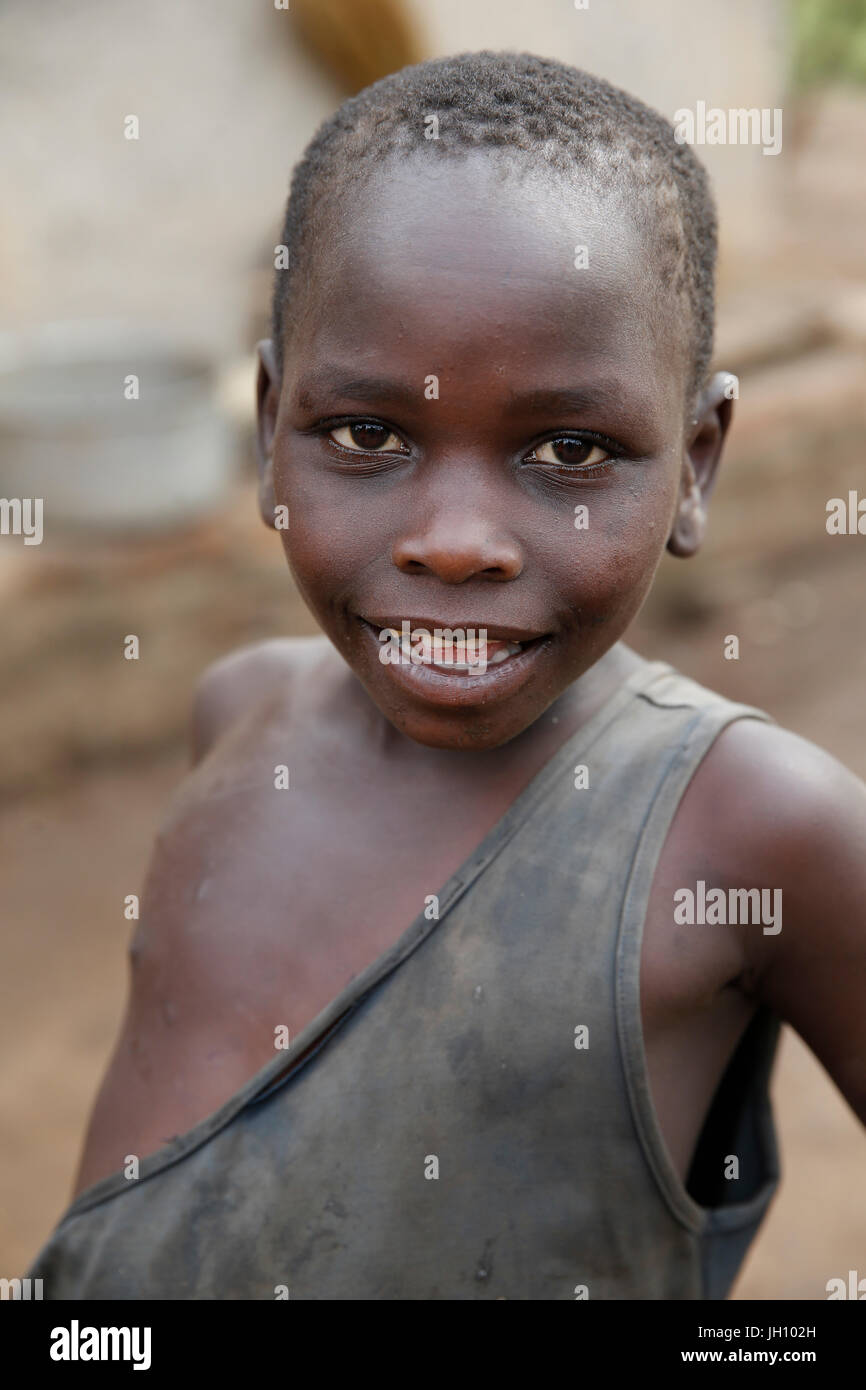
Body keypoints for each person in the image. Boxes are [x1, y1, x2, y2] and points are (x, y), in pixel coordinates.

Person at [28, 51, 866, 1300]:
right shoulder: (235, 712)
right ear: (268, 433)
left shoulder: (753, 830)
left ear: (693, 463)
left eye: (568, 449)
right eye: (367, 435)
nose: (455, 541)